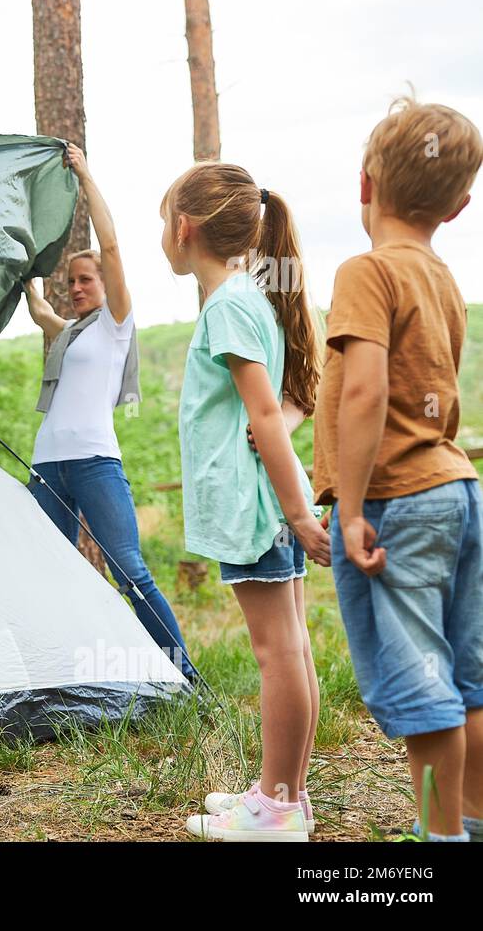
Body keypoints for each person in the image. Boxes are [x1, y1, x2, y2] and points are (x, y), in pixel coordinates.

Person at [314, 98, 483, 842]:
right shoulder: (442, 277)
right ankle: (471, 821)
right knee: (470, 680)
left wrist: (350, 510)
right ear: (459, 206)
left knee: (424, 689)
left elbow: (367, 388)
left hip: (398, 501)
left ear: (364, 186)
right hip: (458, 490)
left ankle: (437, 841)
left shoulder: (367, 271)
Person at [162, 162, 331, 842]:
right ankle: (284, 796)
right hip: (261, 506)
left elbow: (265, 414)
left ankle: (279, 809)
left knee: (278, 653)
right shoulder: (246, 299)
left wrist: (296, 514)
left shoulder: (230, 303)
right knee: (291, 648)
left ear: (183, 228)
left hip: (253, 509)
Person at [24, 144, 197, 681]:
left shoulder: (115, 324)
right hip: (47, 466)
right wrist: (25, 267)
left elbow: (113, 244)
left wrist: (85, 176)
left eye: (86, 280)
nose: (75, 288)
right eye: (71, 281)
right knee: (46, 573)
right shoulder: (69, 335)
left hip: (96, 462)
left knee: (130, 572)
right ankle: (61, 676)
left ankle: (183, 675)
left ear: (106, 285)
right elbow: (38, 309)